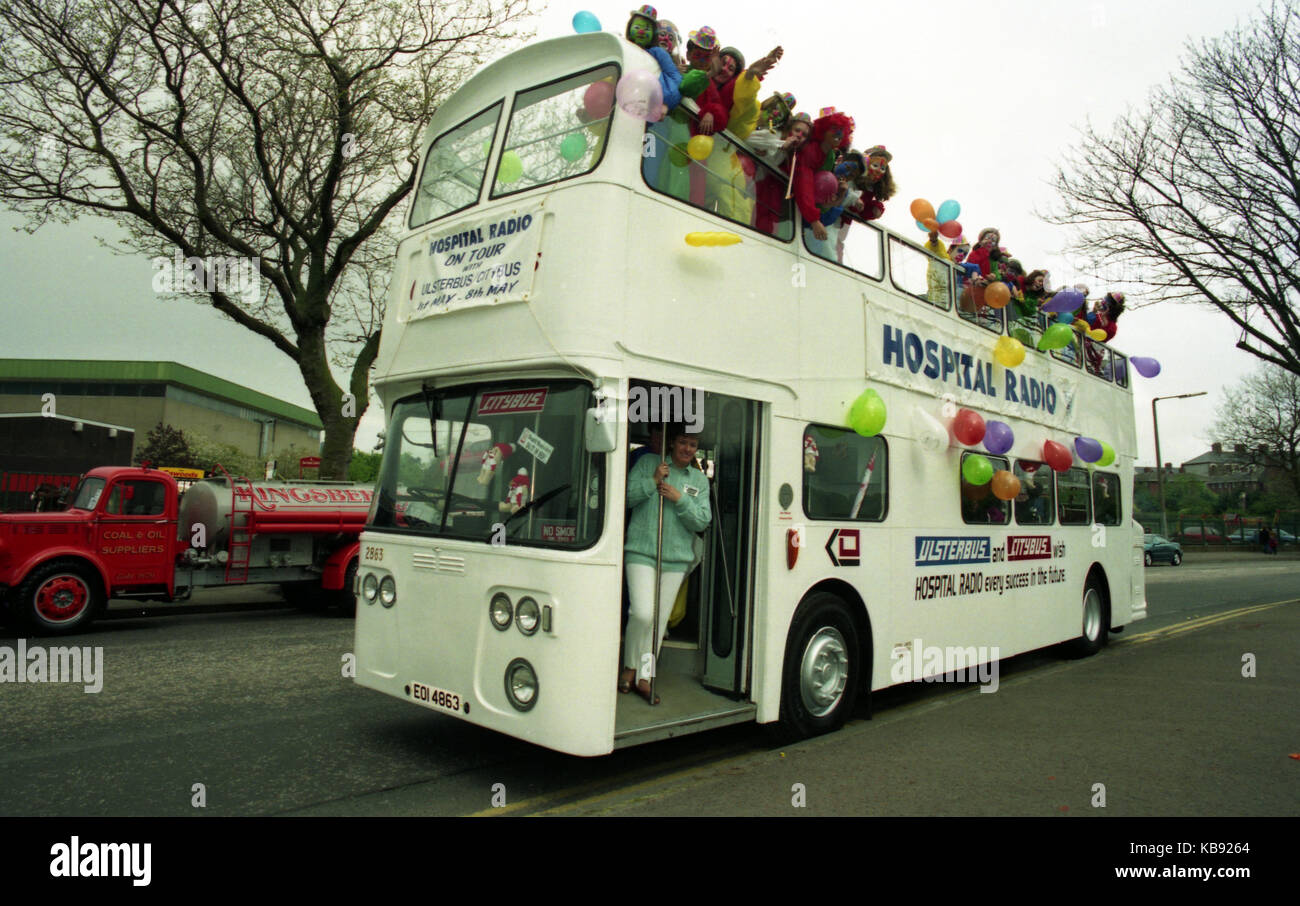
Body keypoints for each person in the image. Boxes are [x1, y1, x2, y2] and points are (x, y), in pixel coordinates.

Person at [620, 424, 712, 703]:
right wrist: (652, 480)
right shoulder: (649, 462)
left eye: (693, 444)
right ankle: (629, 666)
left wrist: (680, 499)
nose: (687, 449)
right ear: (672, 443)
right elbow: (626, 498)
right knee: (643, 613)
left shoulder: (699, 479)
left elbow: (702, 520)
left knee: (658, 621)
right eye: (683, 442)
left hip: (676, 558)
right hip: (641, 551)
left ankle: (644, 676)